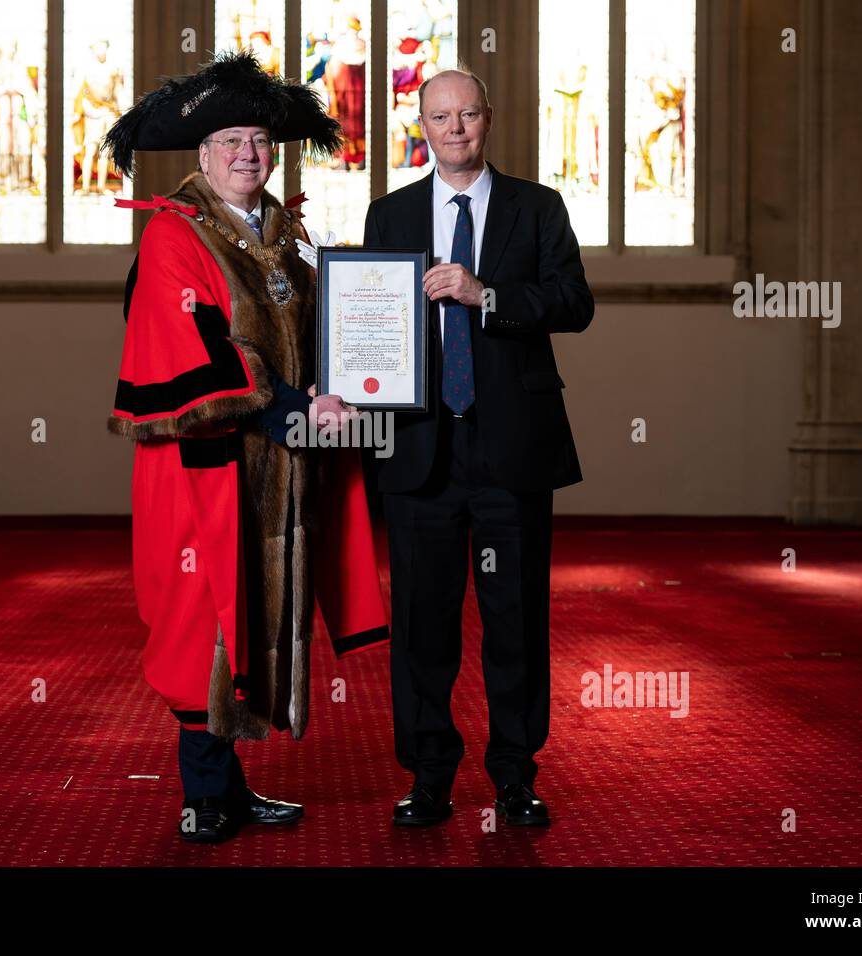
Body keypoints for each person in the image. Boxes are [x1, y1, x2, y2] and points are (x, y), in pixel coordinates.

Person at [102, 51, 389, 844]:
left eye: (259, 141)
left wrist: (355, 377)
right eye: (229, 140)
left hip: (281, 466)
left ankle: (230, 785)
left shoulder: (282, 231)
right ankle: (202, 795)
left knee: (260, 621)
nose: (247, 155)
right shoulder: (174, 235)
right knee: (206, 624)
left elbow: (320, 327)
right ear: (201, 154)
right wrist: (301, 406)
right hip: (209, 468)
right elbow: (199, 354)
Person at [362, 69, 595, 827]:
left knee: (515, 617)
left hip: (511, 448)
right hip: (420, 448)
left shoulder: (538, 207)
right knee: (423, 625)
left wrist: (484, 293)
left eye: (467, 115)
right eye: (439, 117)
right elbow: (370, 324)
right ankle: (429, 775)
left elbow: (574, 304)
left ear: (487, 120)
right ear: (420, 126)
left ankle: (515, 775)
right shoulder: (389, 215)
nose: (454, 129)